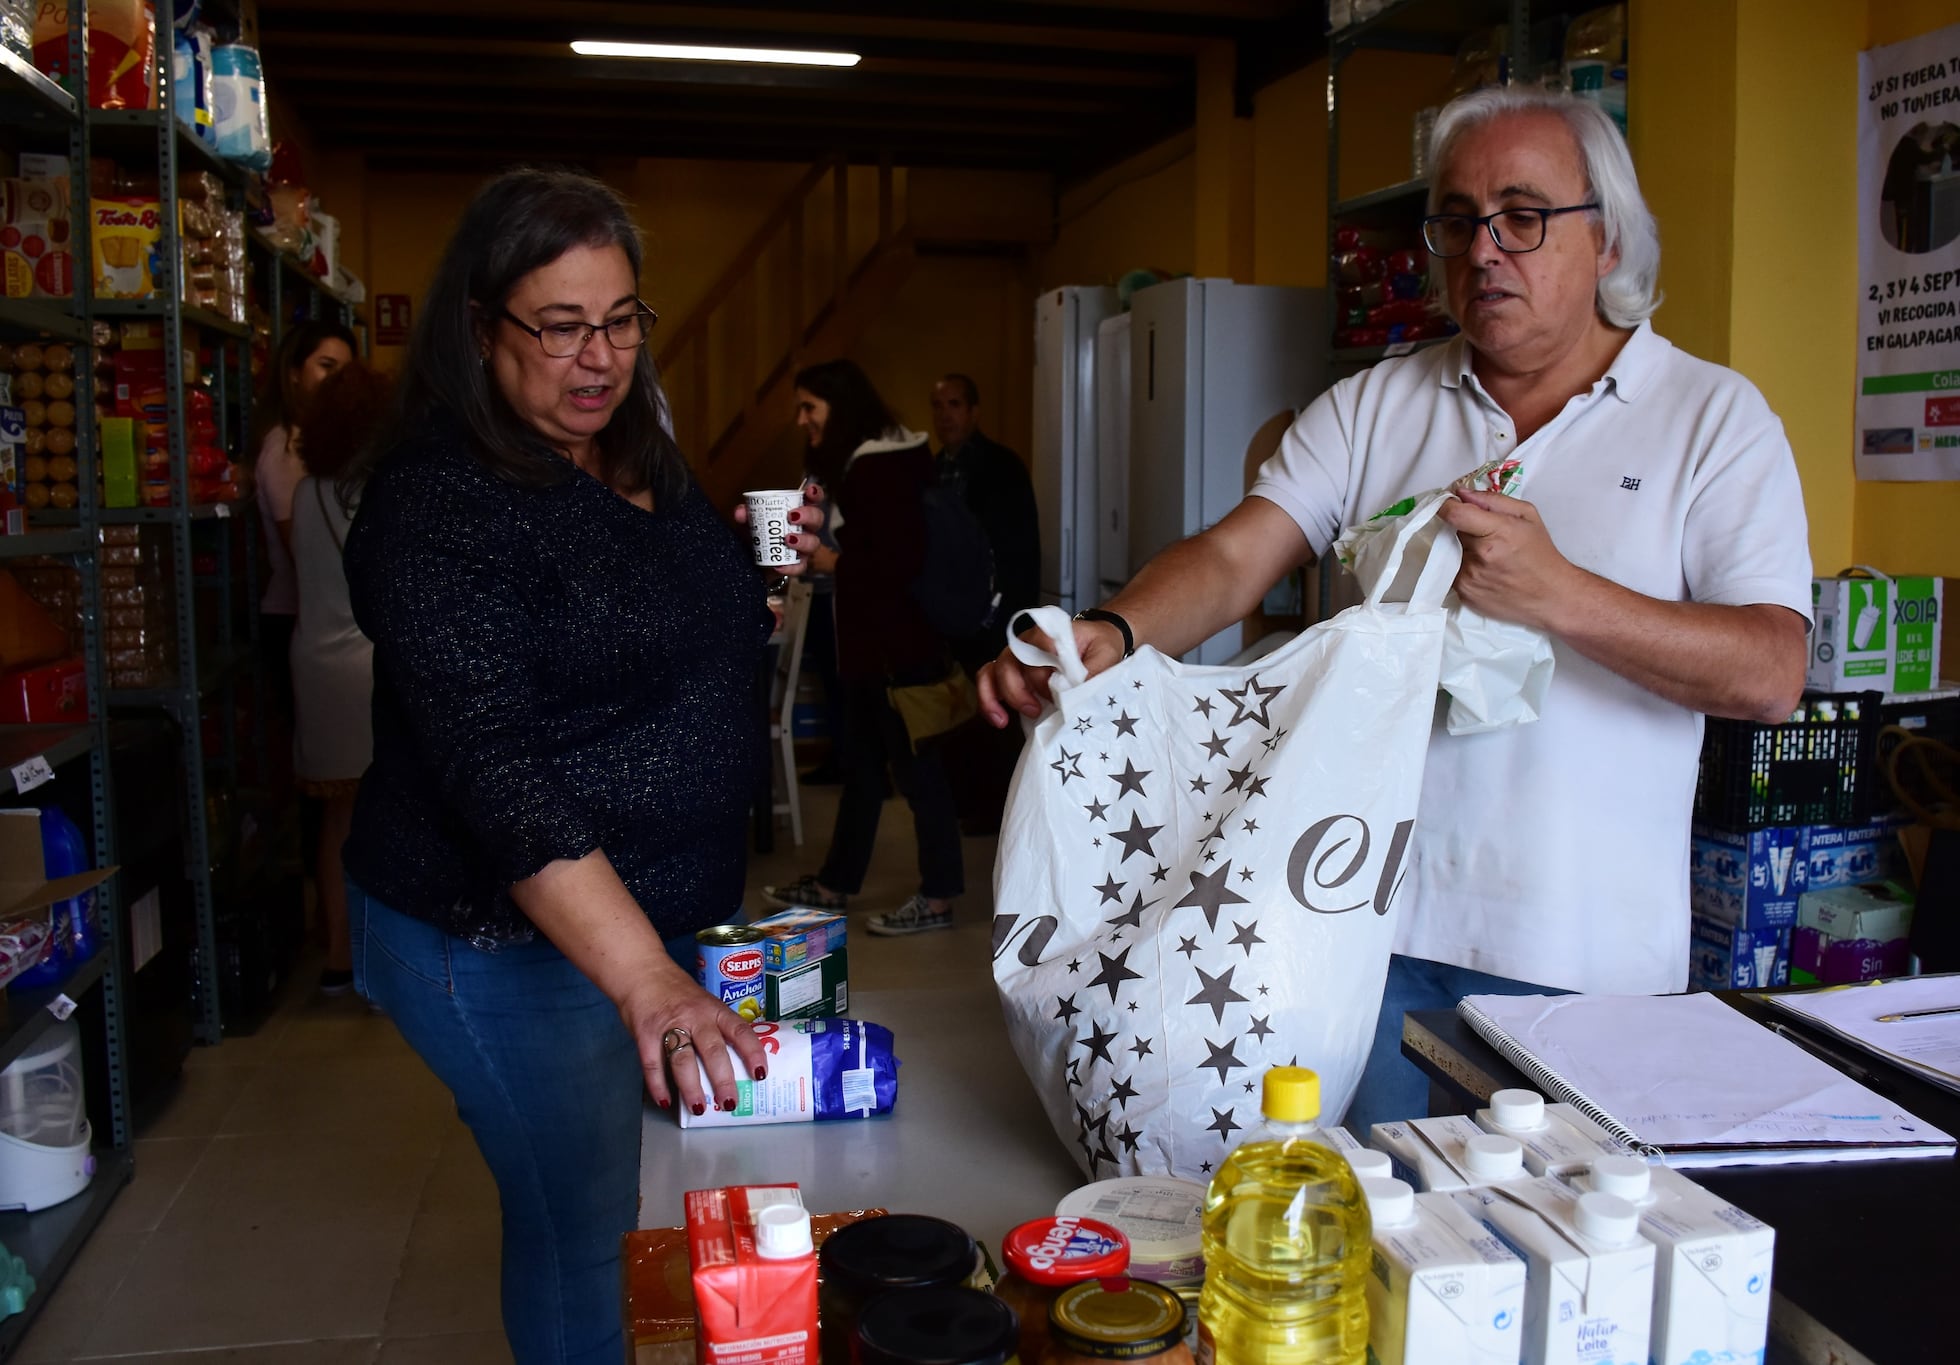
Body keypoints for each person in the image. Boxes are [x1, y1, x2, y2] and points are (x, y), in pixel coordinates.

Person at [979, 87, 1813, 1133]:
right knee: (1368, 1256)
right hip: (1359, 937)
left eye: (1523, 215)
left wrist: (1558, 594)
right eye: (1457, 220)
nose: (1484, 250)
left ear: (1606, 240)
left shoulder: (1712, 420)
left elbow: (1770, 670)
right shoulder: (1379, 405)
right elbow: (1238, 557)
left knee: (1558, 1274)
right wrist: (1114, 633)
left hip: (1586, 965)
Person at [339, 169, 822, 1365]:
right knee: (579, 1224)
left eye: (619, 321)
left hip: (639, 919)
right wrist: (647, 980)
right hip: (496, 937)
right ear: (478, 329)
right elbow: (494, 768)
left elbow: (674, 612)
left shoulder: (634, 447)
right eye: (559, 327)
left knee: (628, 1194)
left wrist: (776, 576)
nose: (596, 358)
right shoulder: (436, 505)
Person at [762, 359, 964, 936]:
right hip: (881, 646)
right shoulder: (882, 457)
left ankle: (940, 897)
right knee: (867, 771)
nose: (802, 419)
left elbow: (896, 563)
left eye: (810, 408)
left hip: (896, 646)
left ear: (838, 407)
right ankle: (833, 886)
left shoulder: (881, 466)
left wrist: (829, 561)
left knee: (918, 772)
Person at [289, 361, 392, 996]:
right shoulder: (386, 487)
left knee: (335, 823)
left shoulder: (304, 494)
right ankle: (385, 961)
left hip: (314, 666)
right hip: (373, 666)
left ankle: (337, 956)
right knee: (390, 818)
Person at [251, 319, 357, 697]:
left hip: (319, 621)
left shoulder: (317, 443)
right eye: (326, 365)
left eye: (344, 370)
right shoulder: (286, 448)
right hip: (297, 617)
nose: (336, 380)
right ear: (294, 373)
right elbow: (306, 552)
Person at [930, 373, 1039, 670]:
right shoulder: (931, 469)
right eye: (937, 406)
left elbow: (1019, 552)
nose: (945, 415)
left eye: (954, 404)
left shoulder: (1002, 466)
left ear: (974, 412)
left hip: (994, 615)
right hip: (945, 613)